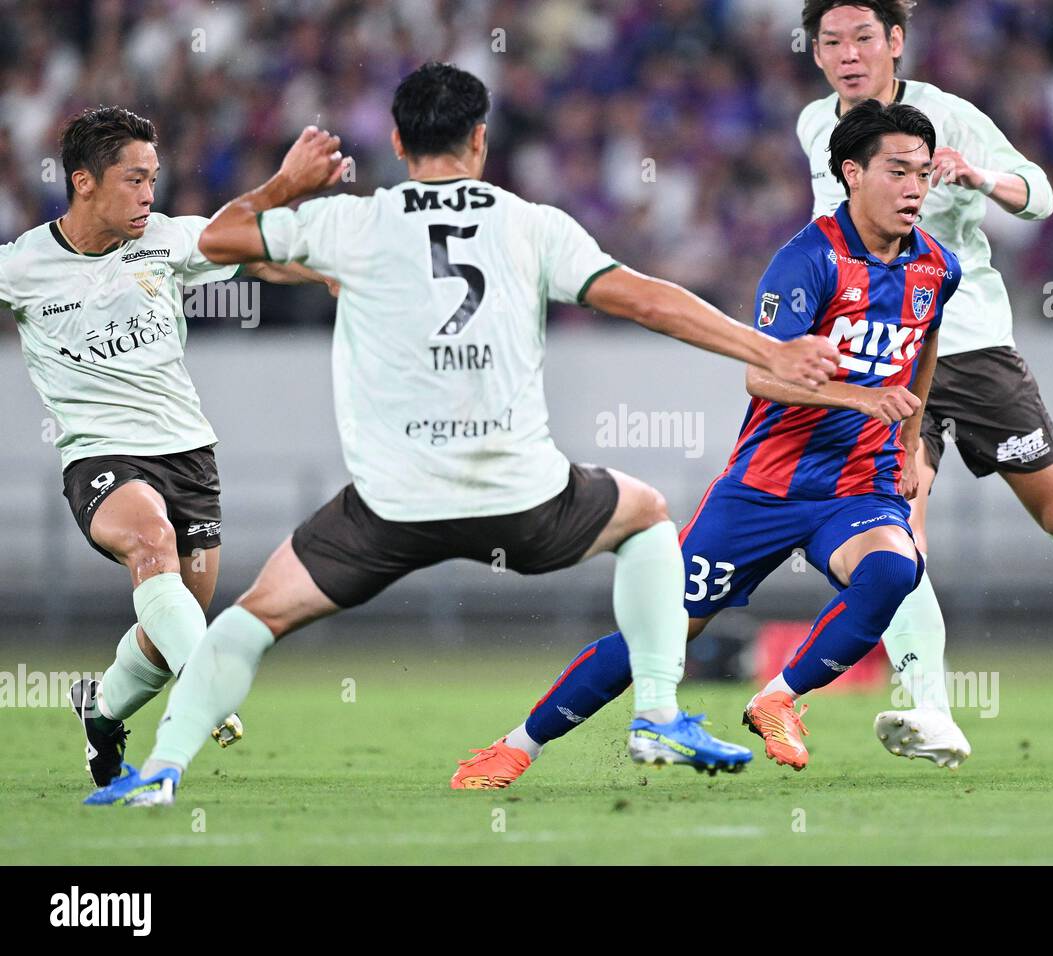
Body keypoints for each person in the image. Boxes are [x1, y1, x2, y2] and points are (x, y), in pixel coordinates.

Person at [83, 62, 840, 806]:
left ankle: (162, 770)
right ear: (480, 138)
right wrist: (769, 348)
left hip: (390, 507)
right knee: (645, 518)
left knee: (253, 618)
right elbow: (645, 301)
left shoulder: (351, 221)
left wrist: (288, 181)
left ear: (396, 141)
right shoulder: (530, 223)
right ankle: (657, 714)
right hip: (524, 495)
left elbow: (218, 240)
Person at [452, 100, 961, 787]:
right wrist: (862, 397)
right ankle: (517, 745)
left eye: (924, 175)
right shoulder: (807, 261)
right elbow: (763, 374)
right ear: (852, 173)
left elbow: (923, 349)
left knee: (895, 571)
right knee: (662, 636)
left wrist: (909, 439)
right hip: (764, 488)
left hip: (858, 485)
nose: (914, 189)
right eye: (898, 171)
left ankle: (779, 697)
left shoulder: (938, 267)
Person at [797, 0, 1053, 762]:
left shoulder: (944, 115)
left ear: (895, 42)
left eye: (863, 38)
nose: (848, 53)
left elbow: (1037, 193)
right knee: (897, 525)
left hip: (970, 345)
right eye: (831, 41)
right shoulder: (815, 127)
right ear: (813, 52)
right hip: (883, 354)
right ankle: (930, 707)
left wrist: (979, 177)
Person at [0, 106, 334, 787]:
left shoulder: (167, 241)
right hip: (101, 456)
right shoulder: (24, 265)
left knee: (165, 622)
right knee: (150, 544)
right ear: (84, 182)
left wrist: (332, 273)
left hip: (189, 456)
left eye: (154, 178)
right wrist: (282, 181)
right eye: (133, 178)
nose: (148, 193)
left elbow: (255, 252)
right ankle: (206, 684)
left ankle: (101, 710)